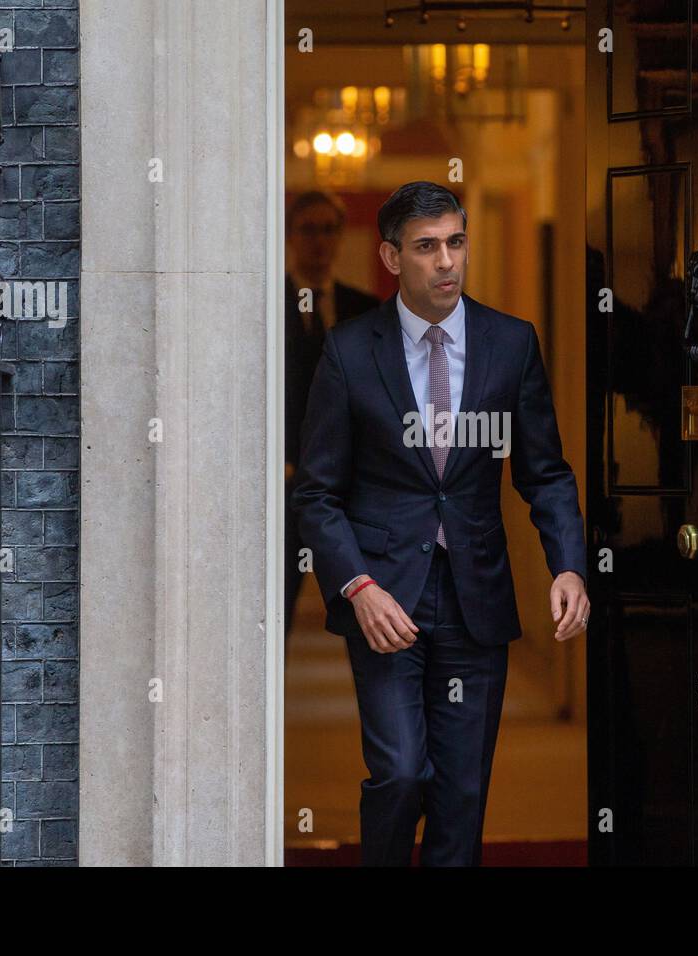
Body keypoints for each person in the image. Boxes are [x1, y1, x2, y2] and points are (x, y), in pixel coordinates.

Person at [291, 181, 590, 866]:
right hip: (386, 596)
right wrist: (358, 587)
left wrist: (568, 563)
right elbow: (316, 493)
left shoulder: (511, 344)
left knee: (461, 796)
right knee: (401, 774)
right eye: (427, 247)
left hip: (475, 596)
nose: (447, 261)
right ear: (391, 257)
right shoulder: (348, 350)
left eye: (456, 242)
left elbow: (542, 471)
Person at [284, 190, 379, 641]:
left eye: (328, 230)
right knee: (274, 610)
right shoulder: (266, 305)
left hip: (352, 491)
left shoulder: (366, 310)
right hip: (281, 485)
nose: (319, 241)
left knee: (368, 609)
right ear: (289, 236)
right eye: (308, 230)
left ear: (340, 238)